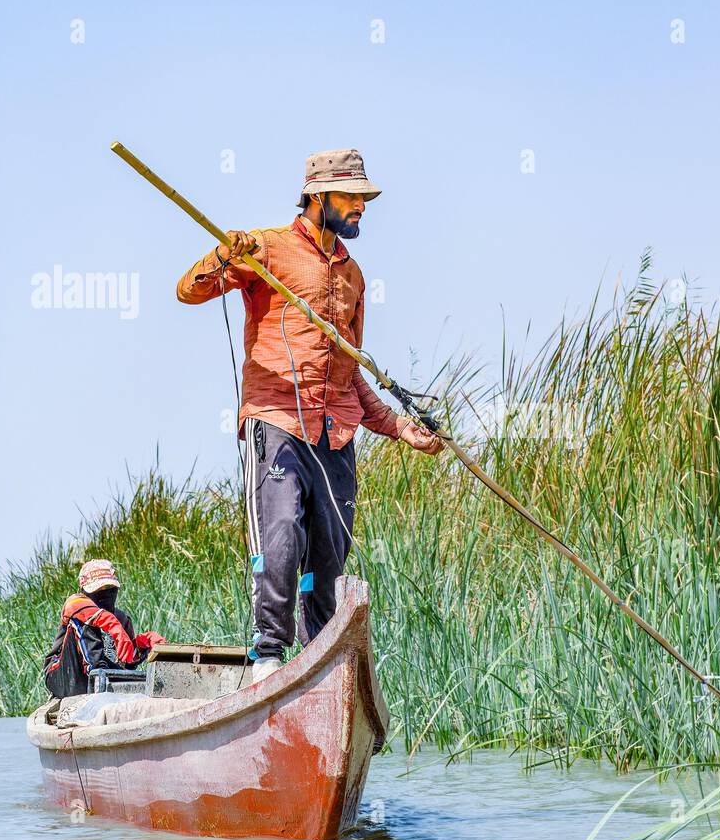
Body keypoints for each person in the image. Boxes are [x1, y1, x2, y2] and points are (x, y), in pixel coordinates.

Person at [176, 148, 443, 681]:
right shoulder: (267, 250)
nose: (362, 208)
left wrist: (398, 428)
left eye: (364, 199)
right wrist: (225, 256)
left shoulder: (354, 277)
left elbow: (350, 374)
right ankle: (268, 653)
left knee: (328, 555)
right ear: (318, 197)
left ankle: (319, 659)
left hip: (336, 433)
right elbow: (189, 291)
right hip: (277, 421)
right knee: (280, 536)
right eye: (352, 197)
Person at [42, 559, 167, 700]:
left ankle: (105, 680)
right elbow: (73, 606)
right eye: (98, 591)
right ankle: (97, 676)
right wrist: (112, 624)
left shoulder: (122, 619)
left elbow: (126, 659)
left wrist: (144, 644)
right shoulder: (76, 604)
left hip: (106, 675)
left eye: (108, 589)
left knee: (134, 651)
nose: (105, 595)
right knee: (84, 620)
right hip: (65, 676)